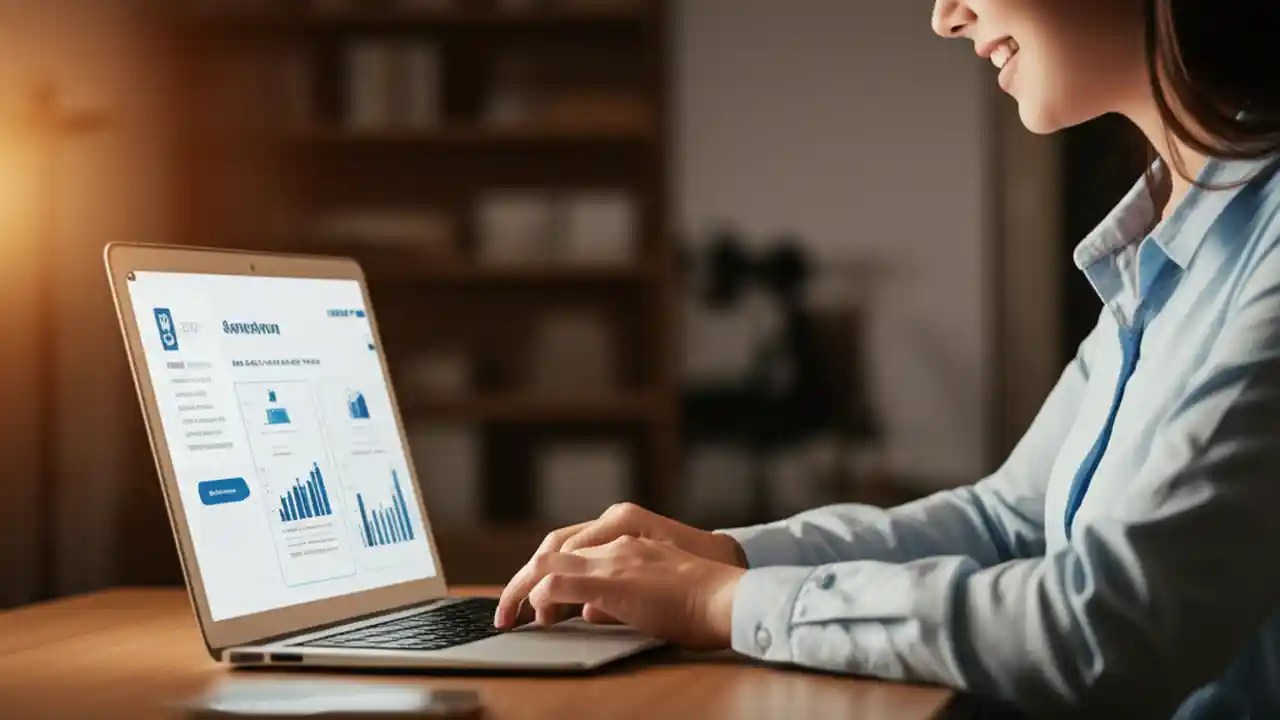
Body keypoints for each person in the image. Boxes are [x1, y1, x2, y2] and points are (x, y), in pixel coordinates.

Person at [494, 0, 1280, 716]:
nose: (946, 15)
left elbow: (1110, 628)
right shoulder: (1165, 245)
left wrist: (725, 603)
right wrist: (724, 556)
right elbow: (1006, 522)